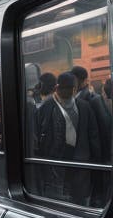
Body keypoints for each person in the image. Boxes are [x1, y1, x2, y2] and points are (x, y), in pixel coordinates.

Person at [36, 71, 101, 205]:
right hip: (63, 166)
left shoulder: (47, 108)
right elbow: (93, 137)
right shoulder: (84, 107)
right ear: (57, 88)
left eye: (69, 88)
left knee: (70, 204)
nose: (68, 91)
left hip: (71, 166)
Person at [72, 65, 111, 163]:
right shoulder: (78, 99)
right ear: (86, 80)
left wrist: (102, 157)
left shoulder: (92, 99)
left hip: (93, 154)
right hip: (87, 154)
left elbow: (104, 127)